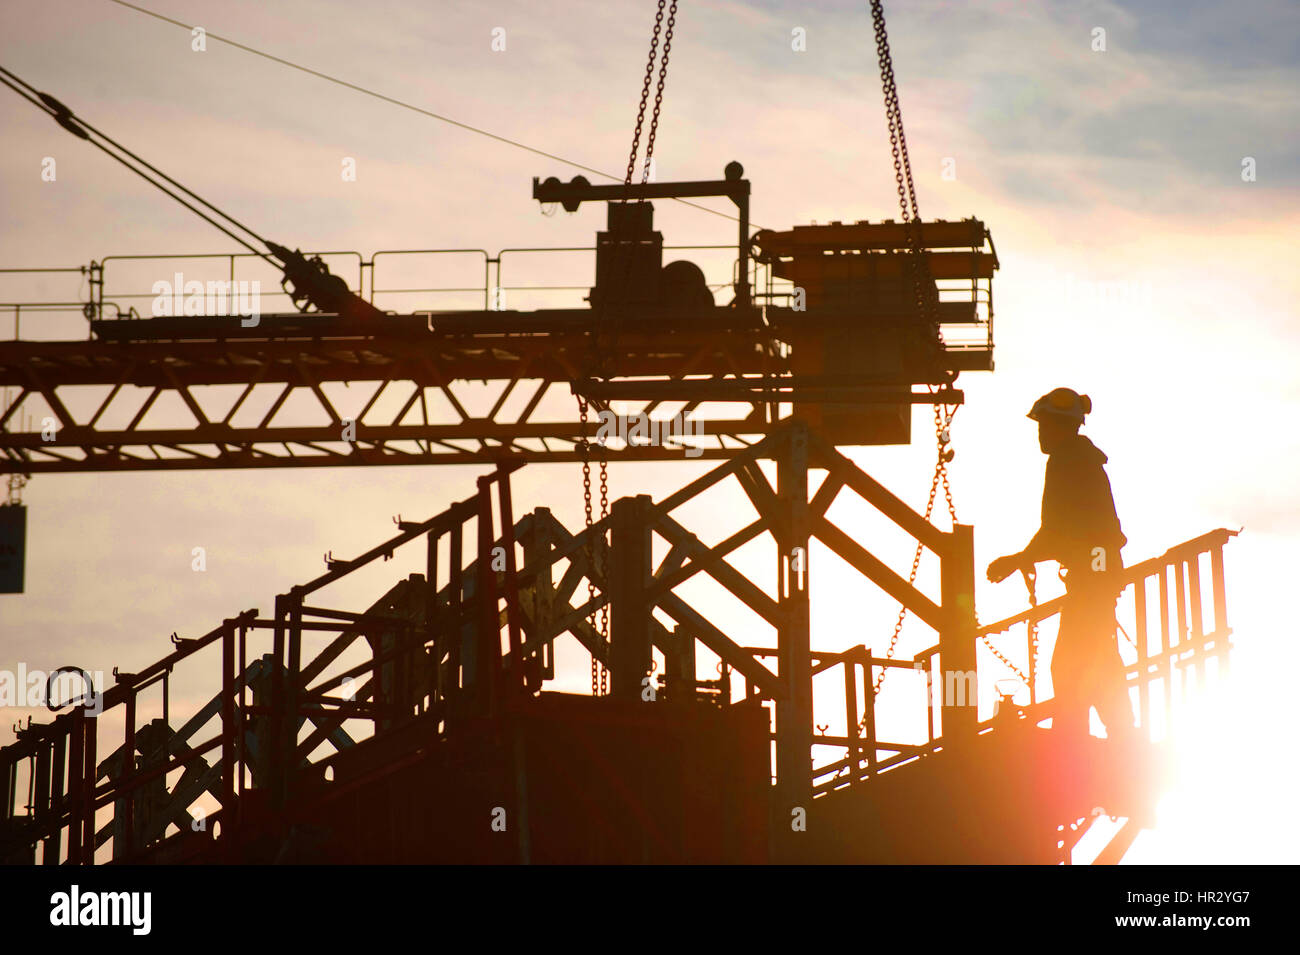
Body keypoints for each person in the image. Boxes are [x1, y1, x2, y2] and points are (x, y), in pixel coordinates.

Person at [986, 388, 1136, 742]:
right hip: (1099, 572)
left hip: (1093, 575)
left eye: (1044, 426)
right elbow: (1067, 532)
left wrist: (1017, 560)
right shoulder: (1081, 459)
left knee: (1070, 663)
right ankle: (1120, 732)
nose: (1040, 433)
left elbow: (1056, 530)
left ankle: (1073, 738)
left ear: (1061, 427)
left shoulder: (1067, 460)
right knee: (1098, 656)